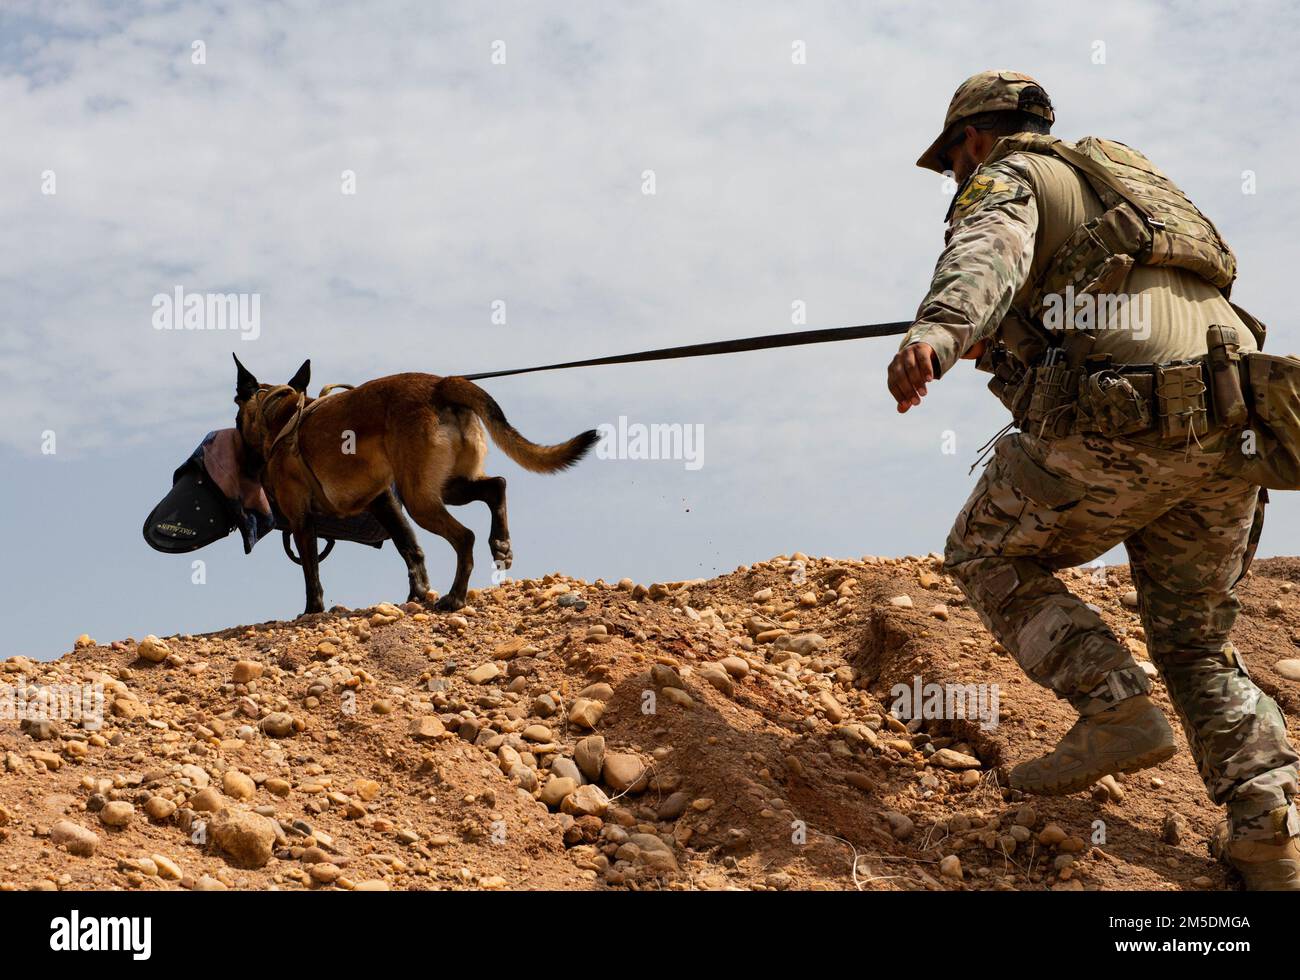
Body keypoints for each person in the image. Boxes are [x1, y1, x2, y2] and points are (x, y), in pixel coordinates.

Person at [887, 69, 1300, 890]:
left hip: (1128, 426)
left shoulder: (1007, 172)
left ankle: (1116, 706)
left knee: (982, 551)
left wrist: (937, 332)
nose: (958, 176)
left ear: (975, 138)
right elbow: (1121, 305)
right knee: (1195, 641)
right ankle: (1267, 828)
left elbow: (987, 250)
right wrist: (1010, 331)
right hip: (1232, 431)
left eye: (953, 163)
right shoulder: (1133, 191)